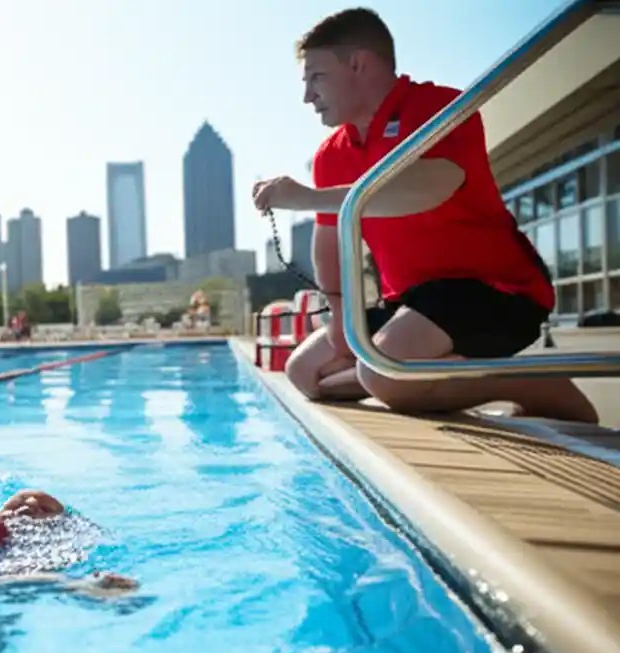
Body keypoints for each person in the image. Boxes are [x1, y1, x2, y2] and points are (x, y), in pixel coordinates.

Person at [251, 8, 597, 424]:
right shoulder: (332, 153)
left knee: (381, 372)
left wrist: (308, 198)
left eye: (316, 78)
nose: (308, 95)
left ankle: (522, 381)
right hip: (413, 301)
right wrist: (343, 317)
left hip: (497, 291)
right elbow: (329, 243)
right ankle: (431, 373)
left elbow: (430, 187)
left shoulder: (439, 108)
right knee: (304, 372)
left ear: (358, 63)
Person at [0, 488, 139, 598]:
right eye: (21, 498)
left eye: (45, 509)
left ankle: (80, 587)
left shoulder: (46, 547)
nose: (31, 504)